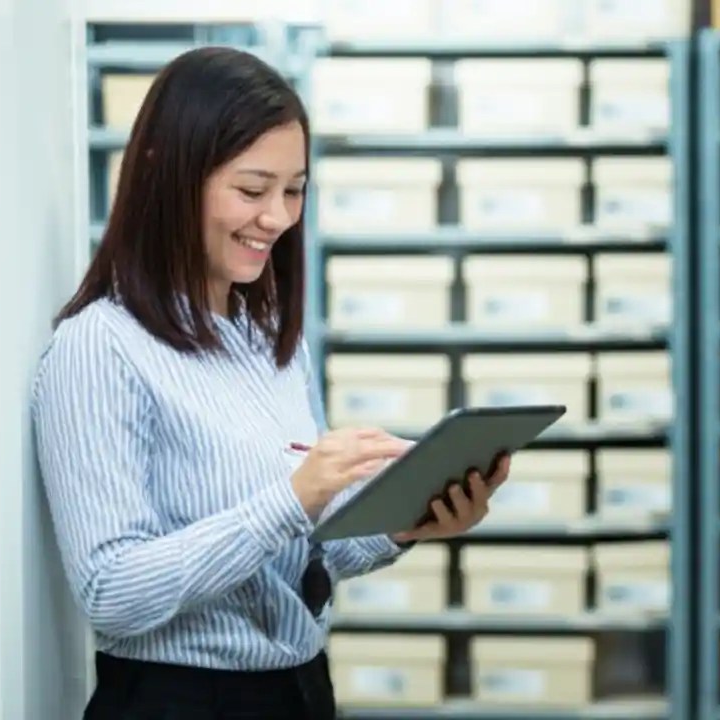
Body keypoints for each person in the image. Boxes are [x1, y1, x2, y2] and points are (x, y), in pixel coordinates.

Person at [30, 46, 511, 719]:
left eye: (294, 190)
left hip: (299, 689)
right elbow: (111, 592)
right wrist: (293, 497)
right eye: (253, 190)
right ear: (166, 173)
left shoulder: (268, 338)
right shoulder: (100, 347)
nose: (279, 217)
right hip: (180, 702)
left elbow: (306, 559)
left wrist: (408, 521)